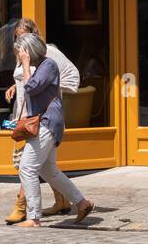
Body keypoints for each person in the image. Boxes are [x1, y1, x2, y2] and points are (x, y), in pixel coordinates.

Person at [10, 32, 93, 228]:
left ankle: (34, 217)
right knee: (49, 170)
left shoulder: (48, 65)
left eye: (20, 52)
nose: (19, 56)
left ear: (29, 51)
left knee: (27, 168)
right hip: (44, 121)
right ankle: (82, 203)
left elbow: (31, 87)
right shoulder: (40, 67)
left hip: (47, 122)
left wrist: (25, 63)